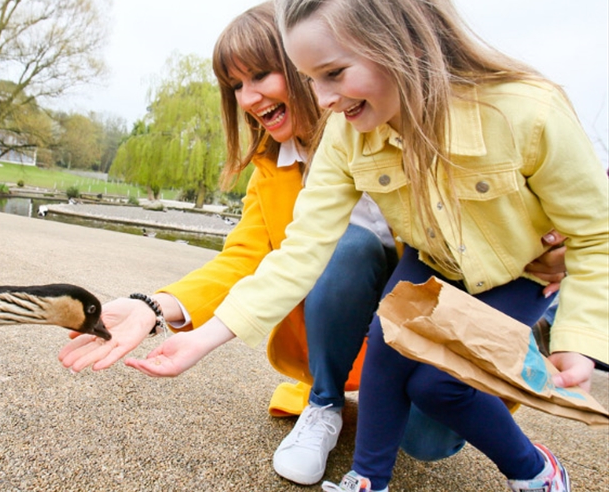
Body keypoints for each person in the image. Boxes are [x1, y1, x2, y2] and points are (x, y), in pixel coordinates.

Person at [59, 2, 570, 486]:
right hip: (346, 331)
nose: (248, 97)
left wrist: (548, 240)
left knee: (429, 439)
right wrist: (156, 306)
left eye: (260, 75)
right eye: (235, 84)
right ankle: (324, 404)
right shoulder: (274, 168)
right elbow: (247, 257)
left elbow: (513, 210)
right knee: (342, 247)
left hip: (428, 316)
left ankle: (467, 396)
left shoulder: (405, 127)